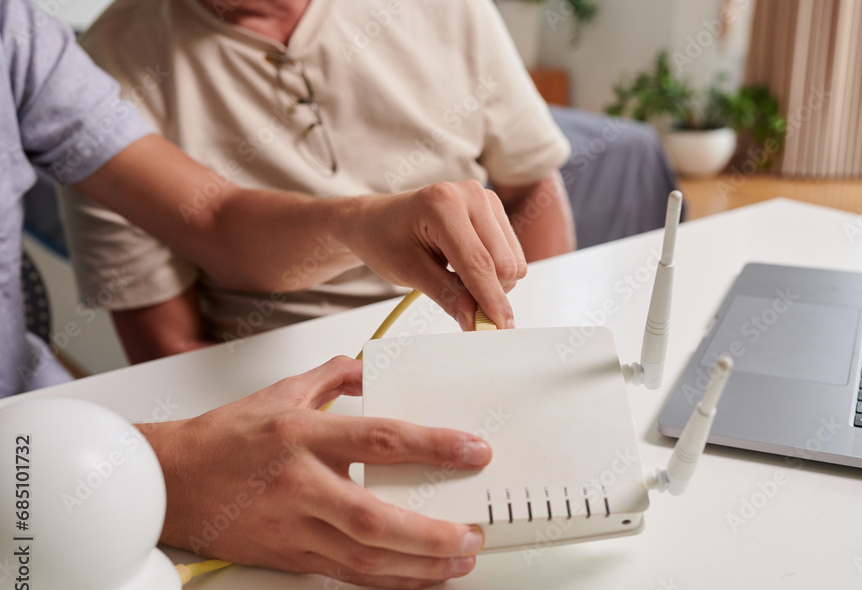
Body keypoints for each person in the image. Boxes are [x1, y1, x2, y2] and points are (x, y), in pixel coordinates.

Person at [3, 0, 518, 588]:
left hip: (44, 425)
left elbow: (213, 218)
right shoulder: (123, 46)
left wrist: (358, 221)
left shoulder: (16, 32)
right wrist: (169, 476)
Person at [61, 0, 574, 363]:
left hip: (474, 350)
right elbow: (171, 350)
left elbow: (530, 183)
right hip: (285, 378)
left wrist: (527, 343)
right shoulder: (103, 71)